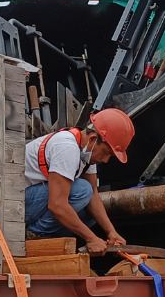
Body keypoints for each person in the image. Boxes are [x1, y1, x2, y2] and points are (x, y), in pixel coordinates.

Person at [23, 109, 134, 256]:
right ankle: (34, 235)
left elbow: (94, 194)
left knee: (89, 210)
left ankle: (42, 233)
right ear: (93, 139)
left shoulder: (87, 152)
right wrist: (91, 238)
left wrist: (111, 232)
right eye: (106, 153)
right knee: (82, 190)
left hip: (34, 204)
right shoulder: (67, 148)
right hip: (17, 205)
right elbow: (57, 204)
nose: (106, 160)